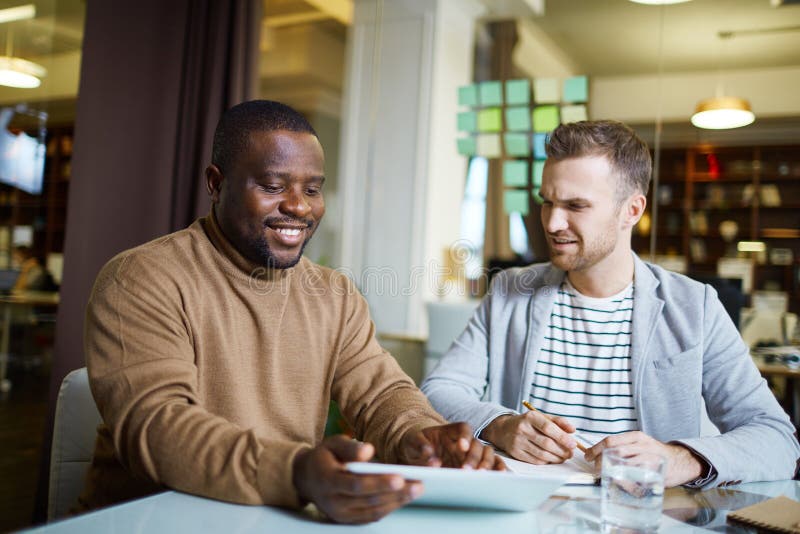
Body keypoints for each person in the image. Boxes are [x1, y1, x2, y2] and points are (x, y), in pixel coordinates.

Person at [79, 100, 503, 524]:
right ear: (216, 184)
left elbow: (382, 394)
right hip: (150, 521)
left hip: (275, 518)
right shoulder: (141, 278)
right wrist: (296, 472)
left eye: (313, 189)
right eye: (273, 186)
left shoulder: (334, 294)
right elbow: (157, 427)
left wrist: (420, 436)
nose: (299, 207)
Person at [422, 120, 800, 489]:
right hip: (522, 511)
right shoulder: (509, 291)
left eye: (576, 205)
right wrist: (500, 425)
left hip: (644, 518)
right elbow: (437, 391)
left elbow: (777, 439)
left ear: (632, 210)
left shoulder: (695, 307)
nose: (552, 222)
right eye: (547, 202)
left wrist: (680, 458)